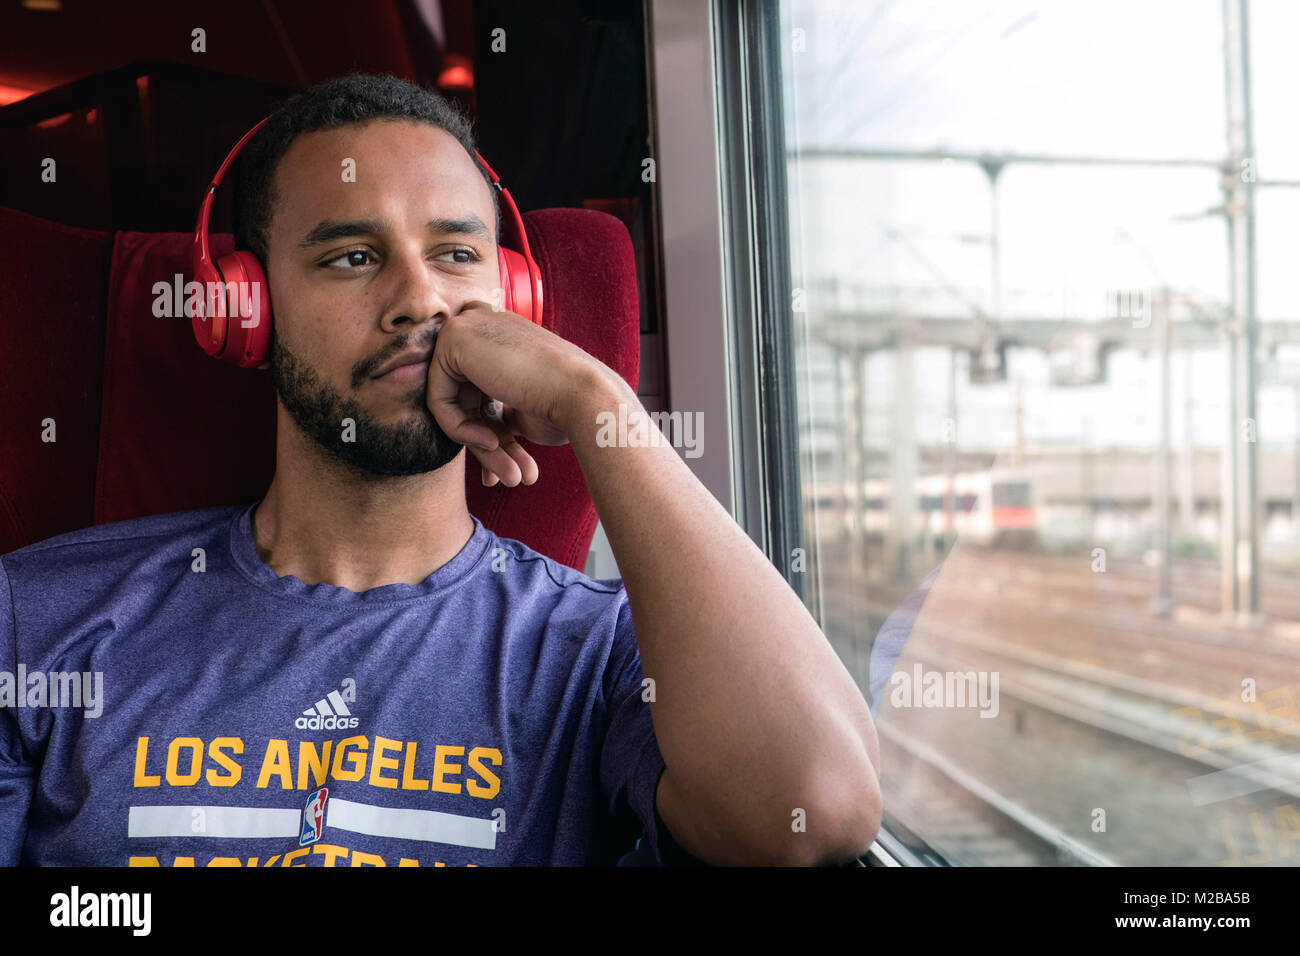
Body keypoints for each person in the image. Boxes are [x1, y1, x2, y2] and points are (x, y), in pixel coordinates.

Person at [0, 74, 880, 867]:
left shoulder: (606, 652)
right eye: (352, 256)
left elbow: (816, 811)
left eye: (456, 255)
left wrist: (595, 400)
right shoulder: (40, 619)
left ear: (517, 301)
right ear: (247, 309)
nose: (420, 300)